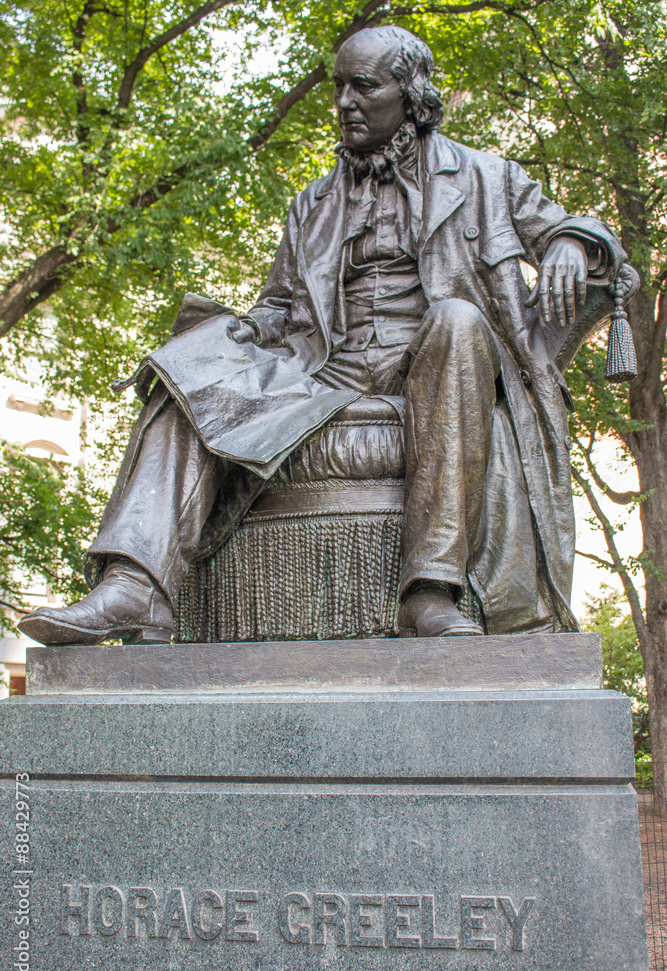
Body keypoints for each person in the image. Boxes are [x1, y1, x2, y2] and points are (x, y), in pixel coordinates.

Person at [19, 25, 627, 647]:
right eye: (338, 88)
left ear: (412, 96)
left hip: (435, 364)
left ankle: (430, 592)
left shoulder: (486, 179)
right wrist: (240, 331)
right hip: (323, 373)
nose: (344, 104)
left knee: (459, 319)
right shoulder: (313, 203)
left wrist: (573, 244)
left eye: (363, 87)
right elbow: (279, 305)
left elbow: (579, 235)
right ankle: (136, 585)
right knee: (192, 364)